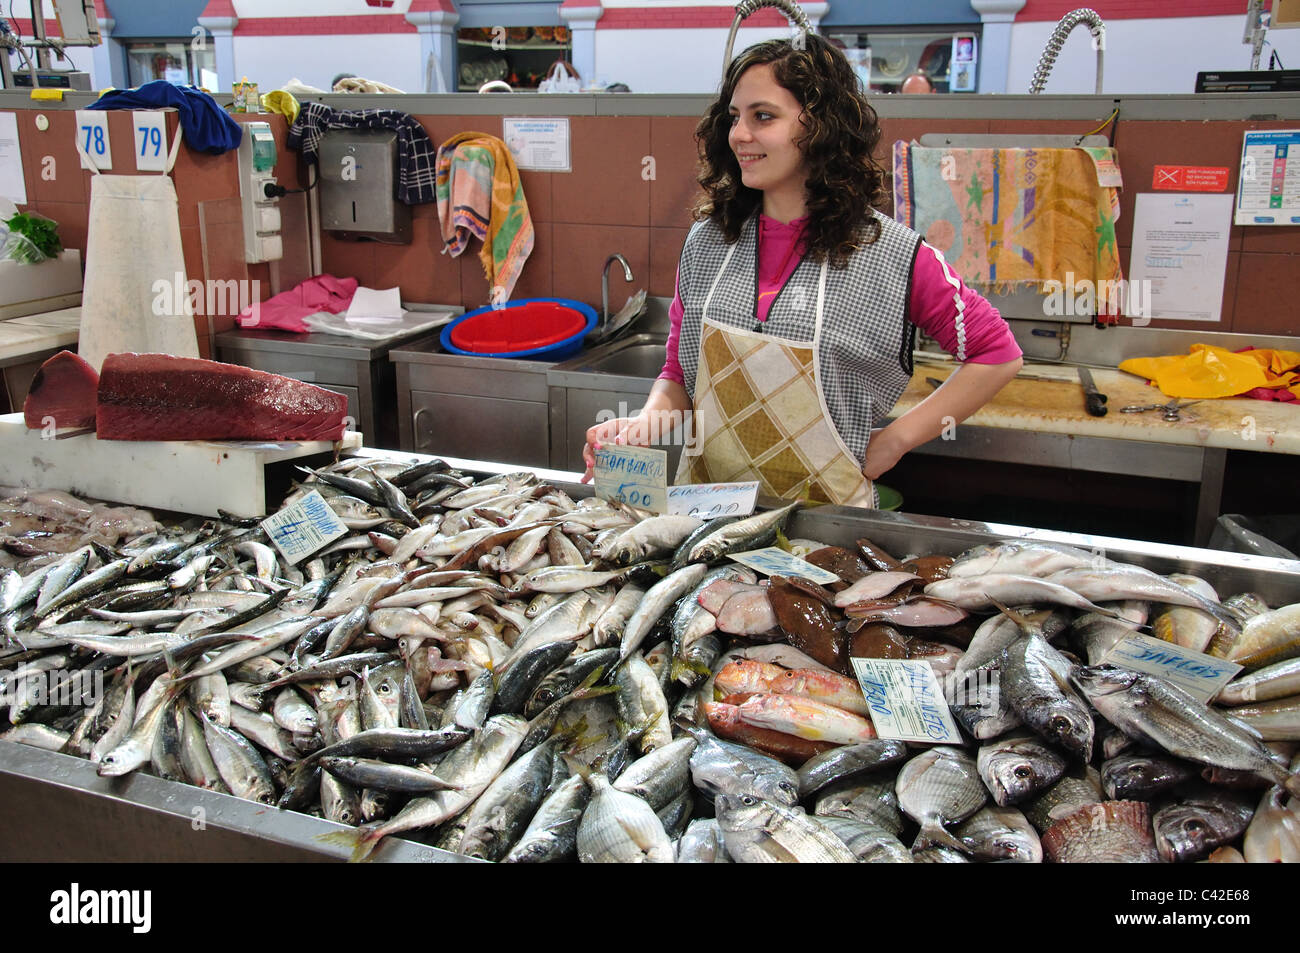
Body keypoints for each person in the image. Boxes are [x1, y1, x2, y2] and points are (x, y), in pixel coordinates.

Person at [581, 35, 1022, 507]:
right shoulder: (707, 241)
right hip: (708, 519)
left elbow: (997, 352)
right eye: (735, 117)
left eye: (763, 116)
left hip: (824, 536)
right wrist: (642, 426)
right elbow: (679, 372)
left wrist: (894, 441)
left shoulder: (893, 255)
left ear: (821, 127)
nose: (739, 135)